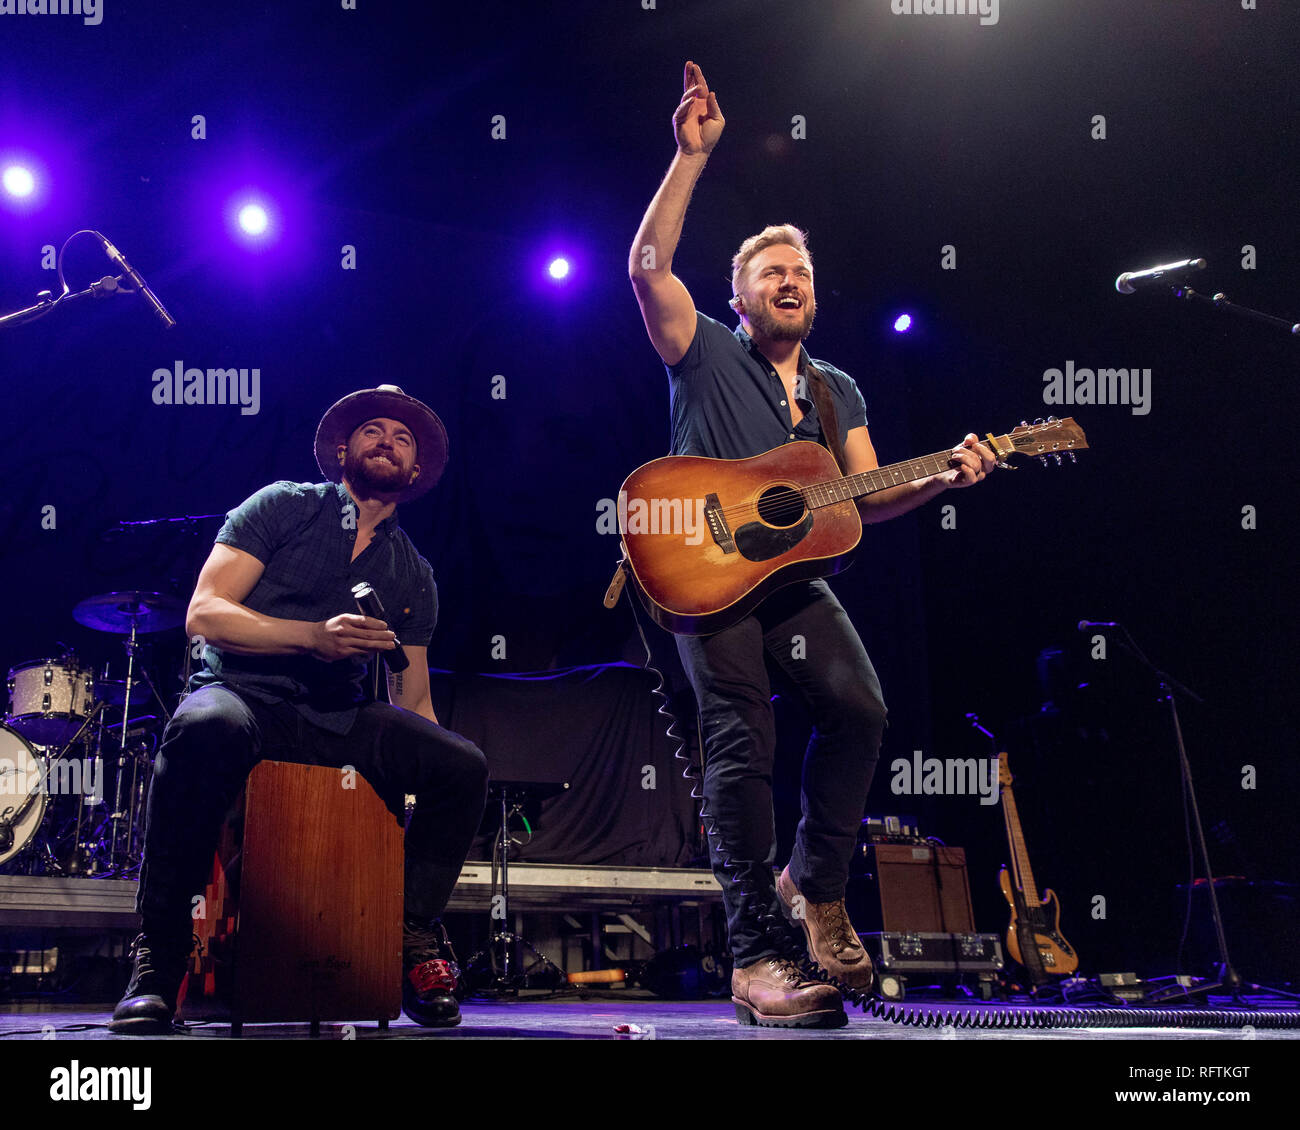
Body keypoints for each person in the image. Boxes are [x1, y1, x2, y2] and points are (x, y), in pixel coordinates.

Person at [628, 62, 997, 1028]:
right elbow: (645, 269)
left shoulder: (839, 392)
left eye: (802, 271)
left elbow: (862, 499)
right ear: (740, 297)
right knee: (741, 745)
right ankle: (753, 956)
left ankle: (814, 884)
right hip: (703, 574)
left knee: (862, 710)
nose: (791, 281)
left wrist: (945, 474)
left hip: (788, 584)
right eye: (770, 272)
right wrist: (689, 157)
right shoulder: (704, 349)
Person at [109, 384, 488, 1033]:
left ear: (416, 470)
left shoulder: (413, 573)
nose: (388, 442)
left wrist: (419, 786)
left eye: (403, 438)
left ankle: (411, 937)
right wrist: (311, 636)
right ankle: (159, 956)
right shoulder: (281, 506)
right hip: (243, 696)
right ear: (342, 448)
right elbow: (205, 614)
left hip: (336, 721)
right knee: (203, 728)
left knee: (460, 764)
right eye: (373, 429)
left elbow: (414, 696)